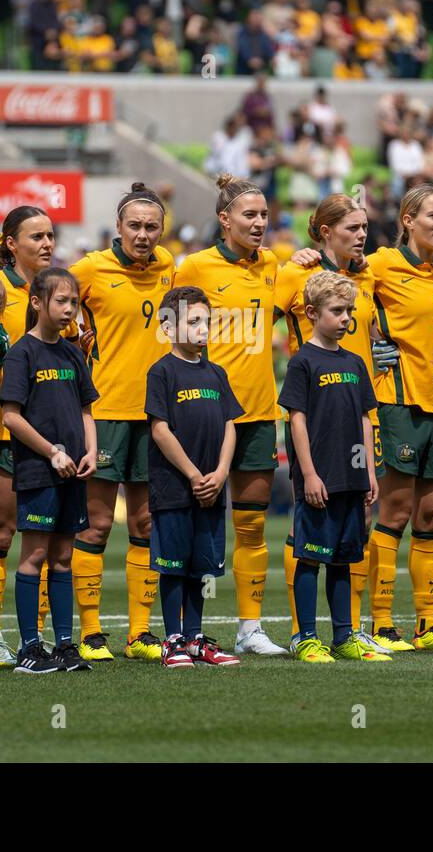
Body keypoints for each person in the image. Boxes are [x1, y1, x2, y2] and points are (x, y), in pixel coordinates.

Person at [174, 174, 287, 656]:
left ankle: (250, 627)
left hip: (259, 410)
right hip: (204, 414)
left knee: (251, 524)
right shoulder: (196, 267)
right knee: (192, 522)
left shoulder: (274, 266)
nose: (260, 223)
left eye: (264, 215)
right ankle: (180, 629)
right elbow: (172, 328)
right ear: (225, 219)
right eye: (250, 215)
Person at [277, 194, 391, 655]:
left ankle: (344, 634)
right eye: (337, 313)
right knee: (310, 552)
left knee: (347, 552)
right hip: (317, 468)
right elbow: (297, 418)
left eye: (349, 313)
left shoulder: (356, 360)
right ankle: (305, 635)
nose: (346, 319)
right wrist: (307, 473)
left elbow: (366, 416)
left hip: (351, 468)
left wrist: (367, 472)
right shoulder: (302, 360)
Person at [69, 184, 176, 662]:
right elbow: (42, 298)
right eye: (134, 225)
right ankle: (91, 632)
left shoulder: (169, 265)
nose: (143, 234)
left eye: (152, 226)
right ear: (118, 227)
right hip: (105, 412)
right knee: (94, 526)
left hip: (155, 416)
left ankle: (139, 634)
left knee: (146, 524)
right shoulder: (90, 269)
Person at [363, 184, 433, 654]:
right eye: (432, 216)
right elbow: (340, 291)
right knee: (396, 512)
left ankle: (427, 623)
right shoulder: (381, 264)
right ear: (407, 219)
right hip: (398, 401)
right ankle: (381, 621)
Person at [0, 207, 65, 667]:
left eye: (51, 235)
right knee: (3, 533)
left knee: (46, 539)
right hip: (4, 431)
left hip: (57, 433)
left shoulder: (58, 290)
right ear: (11, 243)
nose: (47, 244)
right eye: (36, 237)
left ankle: (39, 636)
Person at [0, 267, 99, 674]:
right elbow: (11, 417)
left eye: (74, 302)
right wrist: (51, 452)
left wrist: (91, 451)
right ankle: (28, 648)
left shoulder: (74, 353)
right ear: (37, 302)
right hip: (41, 471)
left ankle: (63, 645)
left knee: (63, 558)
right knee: (35, 555)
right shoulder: (22, 352)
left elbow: (85, 410)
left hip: (74, 471)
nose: (69, 309)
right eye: (61, 301)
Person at [145, 285, 242, 668]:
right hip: (175, 487)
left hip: (212, 489)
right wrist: (193, 474)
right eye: (194, 321)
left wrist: (219, 474)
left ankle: (196, 638)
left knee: (203, 566)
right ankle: (172, 640)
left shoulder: (217, 373)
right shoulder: (162, 371)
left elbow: (231, 425)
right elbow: (159, 430)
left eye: (207, 321)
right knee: (173, 564)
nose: (203, 328)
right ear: (169, 328)